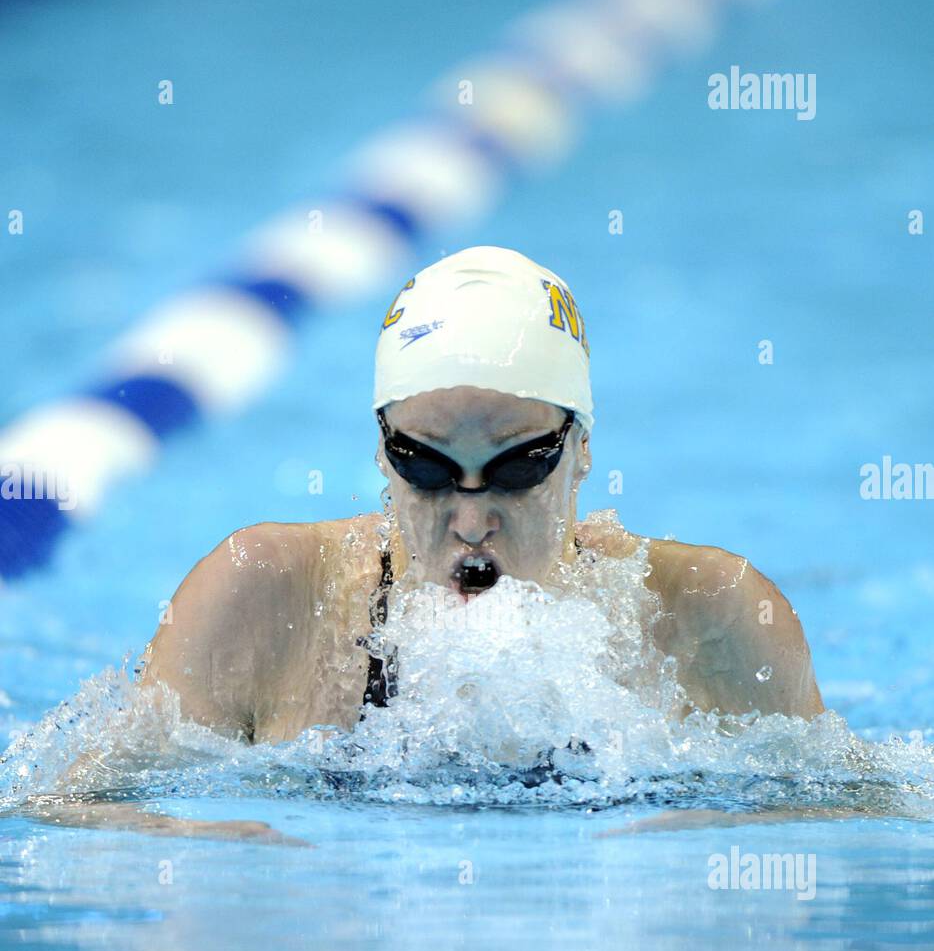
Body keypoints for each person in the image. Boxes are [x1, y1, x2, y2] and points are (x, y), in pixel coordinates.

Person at [138, 245, 824, 743]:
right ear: (382, 450)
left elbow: (844, 828)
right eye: (426, 467)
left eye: (519, 466)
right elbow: (90, 811)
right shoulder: (259, 599)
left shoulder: (713, 618)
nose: (470, 522)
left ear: (581, 449)